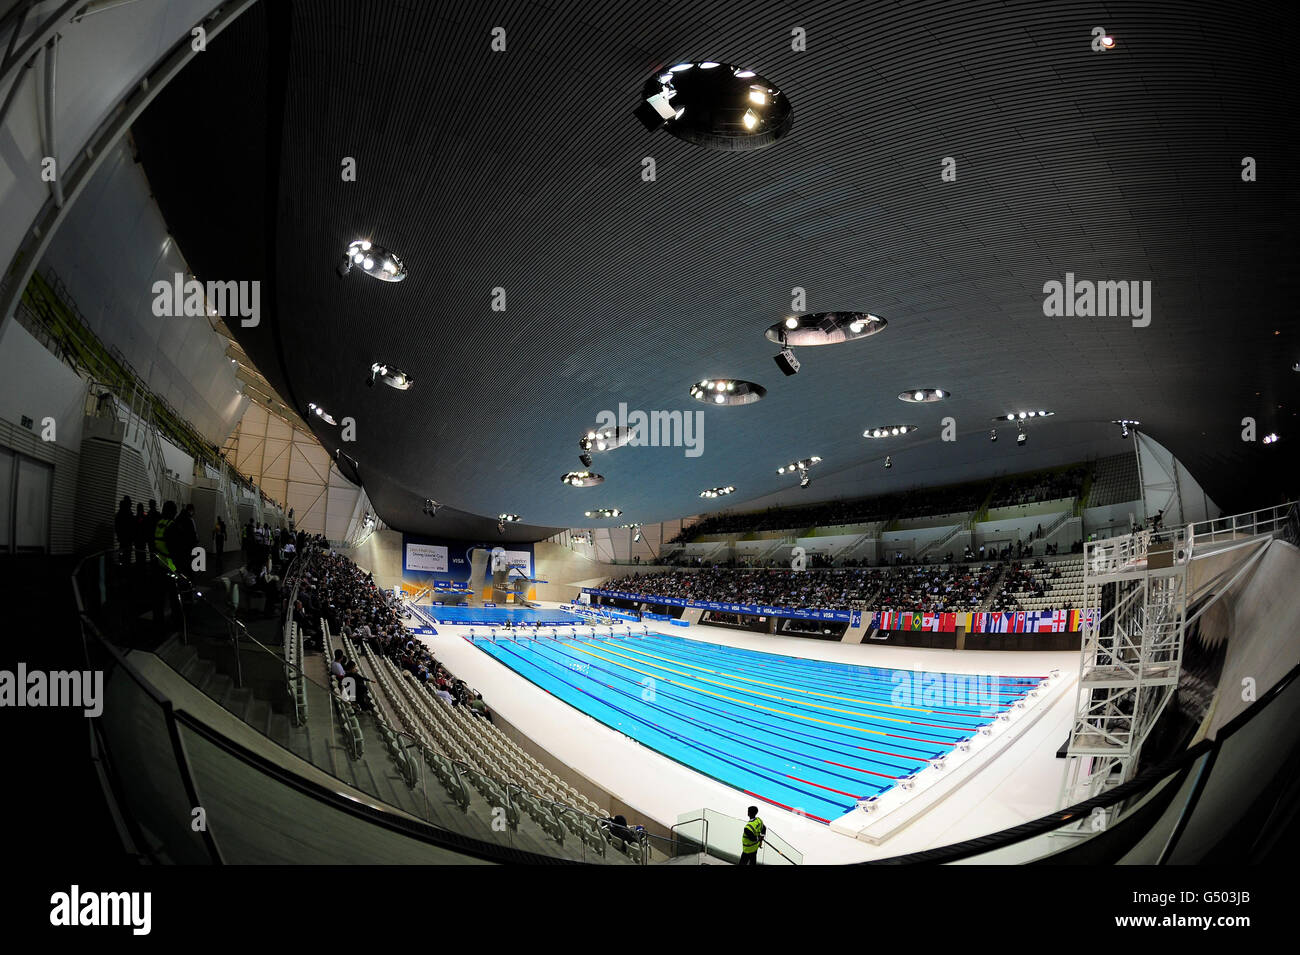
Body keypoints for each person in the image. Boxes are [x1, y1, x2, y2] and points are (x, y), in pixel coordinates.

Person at [114, 496, 135, 566]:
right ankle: (124, 569)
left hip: (123, 539)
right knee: (126, 556)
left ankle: (122, 568)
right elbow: (131, 527)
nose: (131, 505)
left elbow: (117, 526)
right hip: (127, 539)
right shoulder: (127, 513)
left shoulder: (120, 513)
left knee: (122, 555)